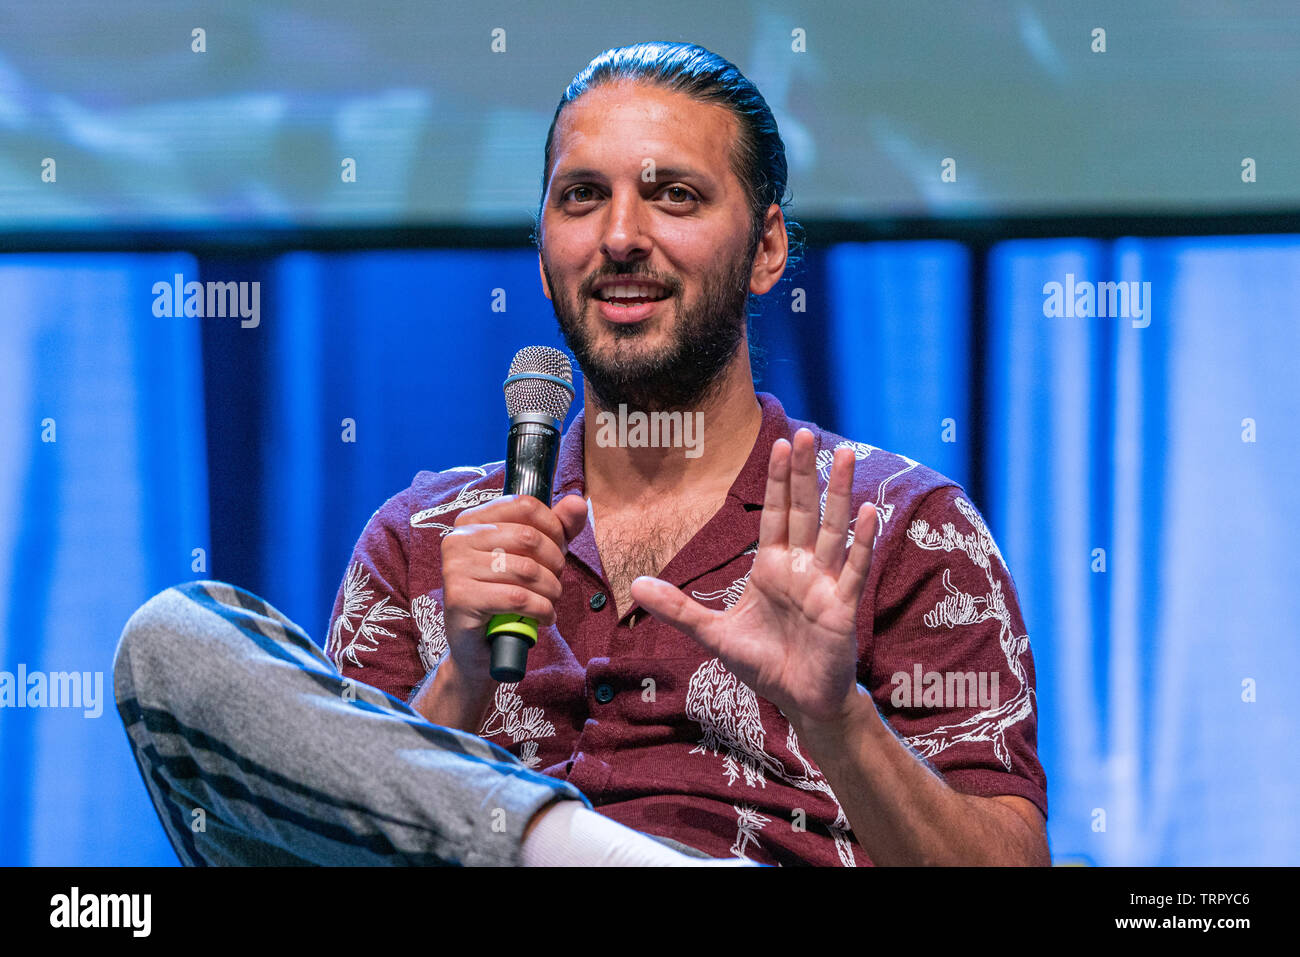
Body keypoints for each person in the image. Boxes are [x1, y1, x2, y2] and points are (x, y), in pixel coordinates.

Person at [114, 40, 1047, 867]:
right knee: (172, 641)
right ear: (543, 243)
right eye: (582, 197)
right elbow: (329, 833)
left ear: (767, 250)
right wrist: (462, 681)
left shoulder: (894, 521)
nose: (621, 236)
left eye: (673, 194)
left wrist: (837, 719)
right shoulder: (421, 538)